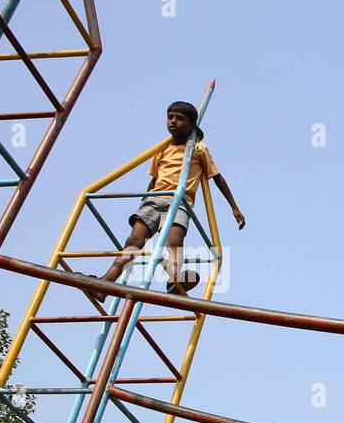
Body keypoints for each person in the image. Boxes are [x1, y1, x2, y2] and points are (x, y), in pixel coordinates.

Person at [100, 101, 245, 292]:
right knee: (133, 241)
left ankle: (174, 281)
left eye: (180, 119)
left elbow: (217, 178)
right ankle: (107, 280)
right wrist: (143, 200)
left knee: (174, 243)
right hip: (154, 199)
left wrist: (233, 207)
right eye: (170, 117)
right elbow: (154, 179)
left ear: (192, 125)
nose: (173, 122)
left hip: (179, 202)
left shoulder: (198, 149)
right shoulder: (161, 149)